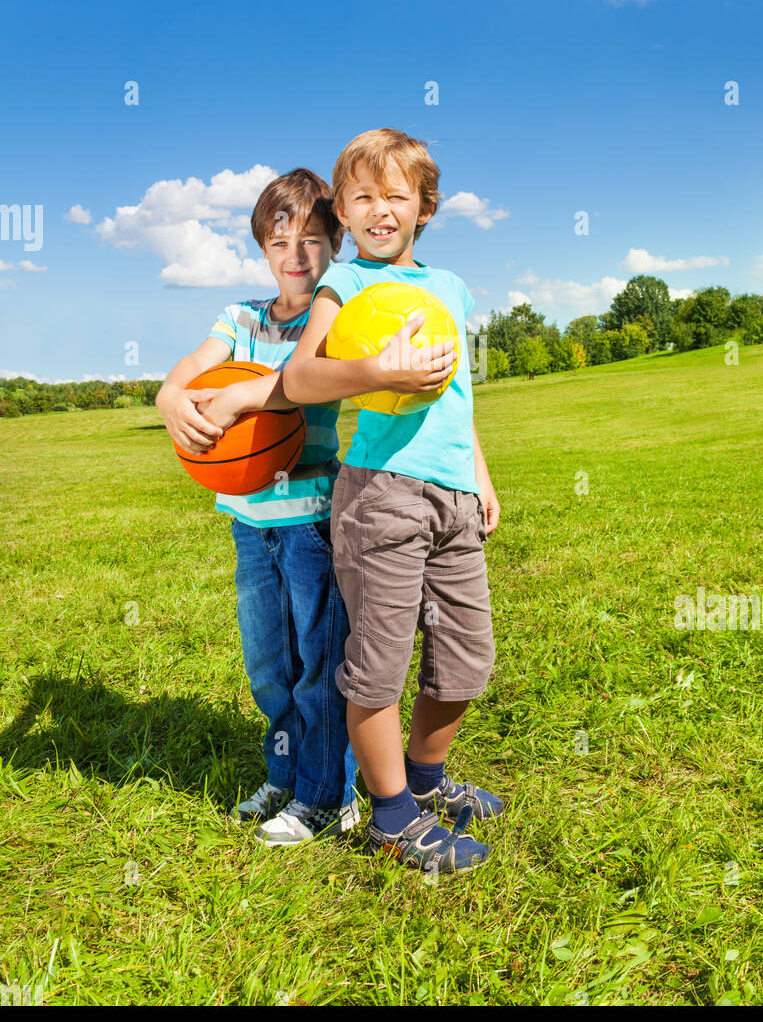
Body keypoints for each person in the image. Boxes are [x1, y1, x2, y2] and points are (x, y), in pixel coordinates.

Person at [281, 129, 503, 877]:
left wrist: (480, 474)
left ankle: (427, 779)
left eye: (396, 195)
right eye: (363, 196)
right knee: (378, 665)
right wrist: (377, 369)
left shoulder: (453, 289)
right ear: (342, 209)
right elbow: (301, 381)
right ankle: (391, 816)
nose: (381, 209)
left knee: (468, 659)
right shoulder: (346, 287)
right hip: (380, 497)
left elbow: (459, 397)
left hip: (453, 498)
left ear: (425, 208)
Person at [155, 169, 358, 845]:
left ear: (335, 243)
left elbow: (291, 387)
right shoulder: (239, 317)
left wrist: (245, 399)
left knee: (319, 663)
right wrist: (168, 396)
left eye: (311, 240)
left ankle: (330, 793)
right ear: (262, 250)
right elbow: (194, 362)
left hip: (310, 521)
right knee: (268, 664)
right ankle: (287, 771)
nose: (295, 256)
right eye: (280, 243)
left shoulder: (330, 319)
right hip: (250, 521)